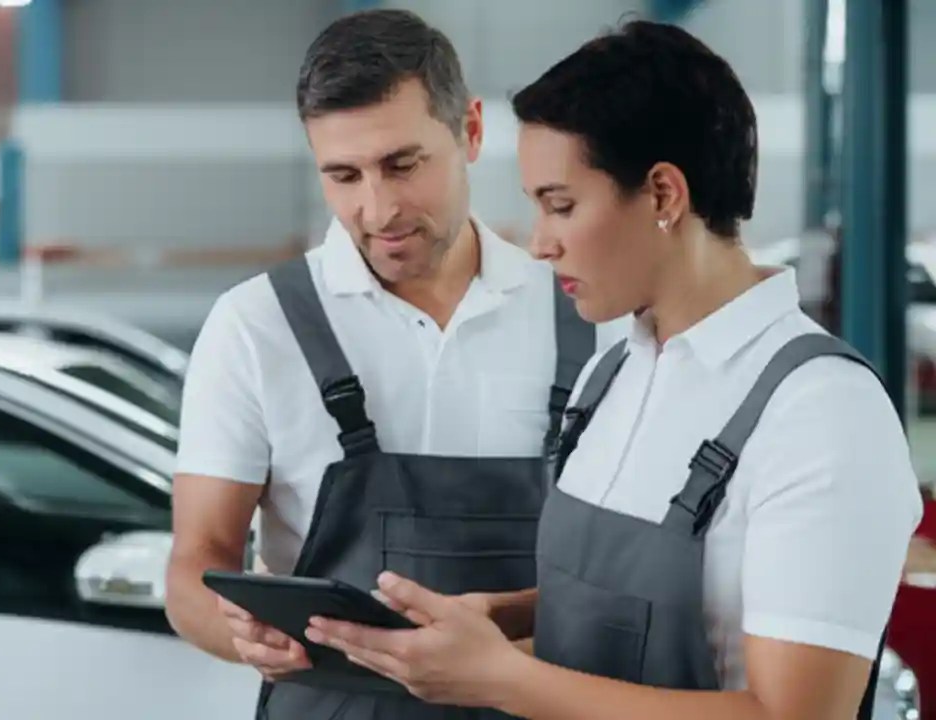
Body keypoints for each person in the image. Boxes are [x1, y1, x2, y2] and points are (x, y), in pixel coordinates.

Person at [304, 19, 925, 720]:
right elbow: (642, 610)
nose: (539, 244)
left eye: (560, 206)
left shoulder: (819, 413)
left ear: (663, 195)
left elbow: (794, 717)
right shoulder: (610, 377)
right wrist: (496, 617)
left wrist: (498, 676)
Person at [165, 9, 624, 719]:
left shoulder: (589, 316)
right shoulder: (254, 327)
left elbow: (633, 566)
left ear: (470, 131)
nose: (377, 209)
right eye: (343, 175)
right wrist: (237, 632)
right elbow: (194, 568)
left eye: (402, 166)